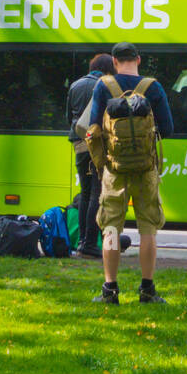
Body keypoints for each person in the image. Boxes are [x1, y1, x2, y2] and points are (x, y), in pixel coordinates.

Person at [86, 42, 174, 304]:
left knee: (111, 228)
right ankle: (147, 290)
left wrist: (102, 164)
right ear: (138, 59)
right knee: (148, 229)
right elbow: (168, 129)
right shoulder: (153, 87)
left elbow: (92, 130)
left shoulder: (104, 86)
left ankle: (110, 290)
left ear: (114, 61)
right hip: (146, 169)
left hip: (114, 169)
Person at [67, 53, 116, 258]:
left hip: (79, 143)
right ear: (107, 69)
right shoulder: (105, 86)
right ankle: (89, 243)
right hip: (97, 145)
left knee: (85, 192)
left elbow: (69, 116)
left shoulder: (75, 85)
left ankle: (81, 242)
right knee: (97, 192)